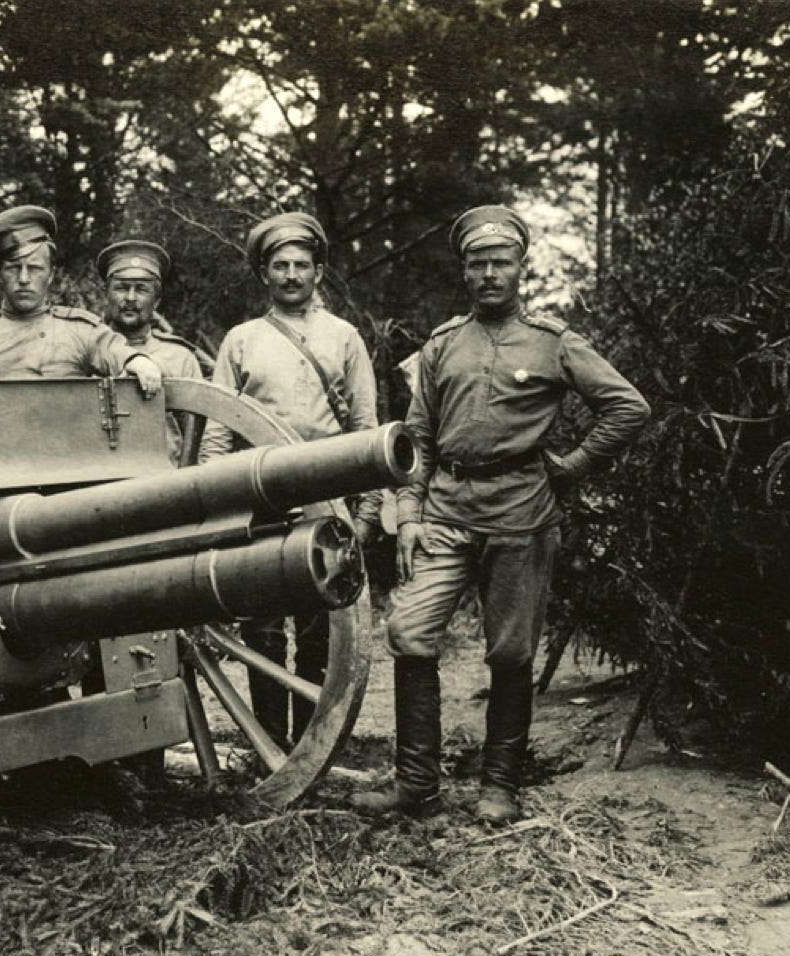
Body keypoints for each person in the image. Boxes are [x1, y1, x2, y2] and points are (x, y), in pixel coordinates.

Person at [351, 205, 650, 824]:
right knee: (409, 632)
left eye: (501, 262)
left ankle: (499, 787)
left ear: (521, 267)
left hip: (521, 514)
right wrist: (408, 514)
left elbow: (628, 407)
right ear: (465, 270)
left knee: (510, 655)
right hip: (446, 512)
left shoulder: (553, 342)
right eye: (478, 263)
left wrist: (573, 465)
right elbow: (418, 438)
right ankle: (416, 786)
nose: (490, 273)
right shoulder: (441, 345)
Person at [199, 212, 384, 751]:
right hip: (258, 502)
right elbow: (217, 434)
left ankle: (310, 744)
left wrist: (367, 514)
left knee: (317, 629)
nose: (290, 275)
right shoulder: (242, 340)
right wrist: (216, 509)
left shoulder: (343, 338)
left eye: (301, 265)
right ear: (264, 275)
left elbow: (364, 431)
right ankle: (269, 743)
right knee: (260, 628)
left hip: (324, 502)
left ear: (319, 272)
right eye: (279, 265)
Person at [0, 206, 162, 396]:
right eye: (13, 268)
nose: (23, 279)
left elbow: (114, 349)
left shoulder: (79, 329)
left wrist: (137, 361)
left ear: (50, 276)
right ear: (0, 275)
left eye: (34, 268)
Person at [96, 238, 203, 461]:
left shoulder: (180, 357)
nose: (130, 298)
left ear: (157, 300)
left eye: (141, 289)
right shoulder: (88, 351)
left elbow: (198, 435)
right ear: (106, 293)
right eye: (121, 288)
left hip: (163, 483)